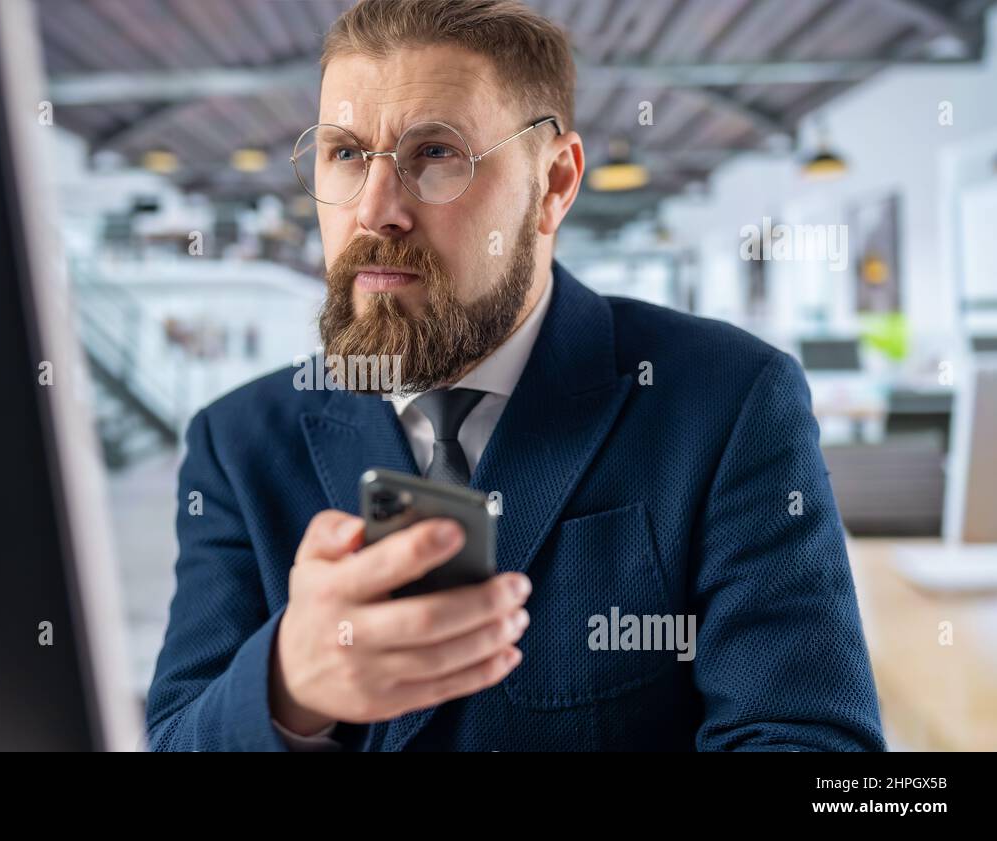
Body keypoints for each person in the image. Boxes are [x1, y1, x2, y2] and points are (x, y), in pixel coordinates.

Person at [145, 0, 885, 751]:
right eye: (344, 153)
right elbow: (176, 734)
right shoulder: (236, 444)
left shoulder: (726, 402)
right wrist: (285, 689)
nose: (375, 210)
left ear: (555, 183)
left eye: (433, 153)